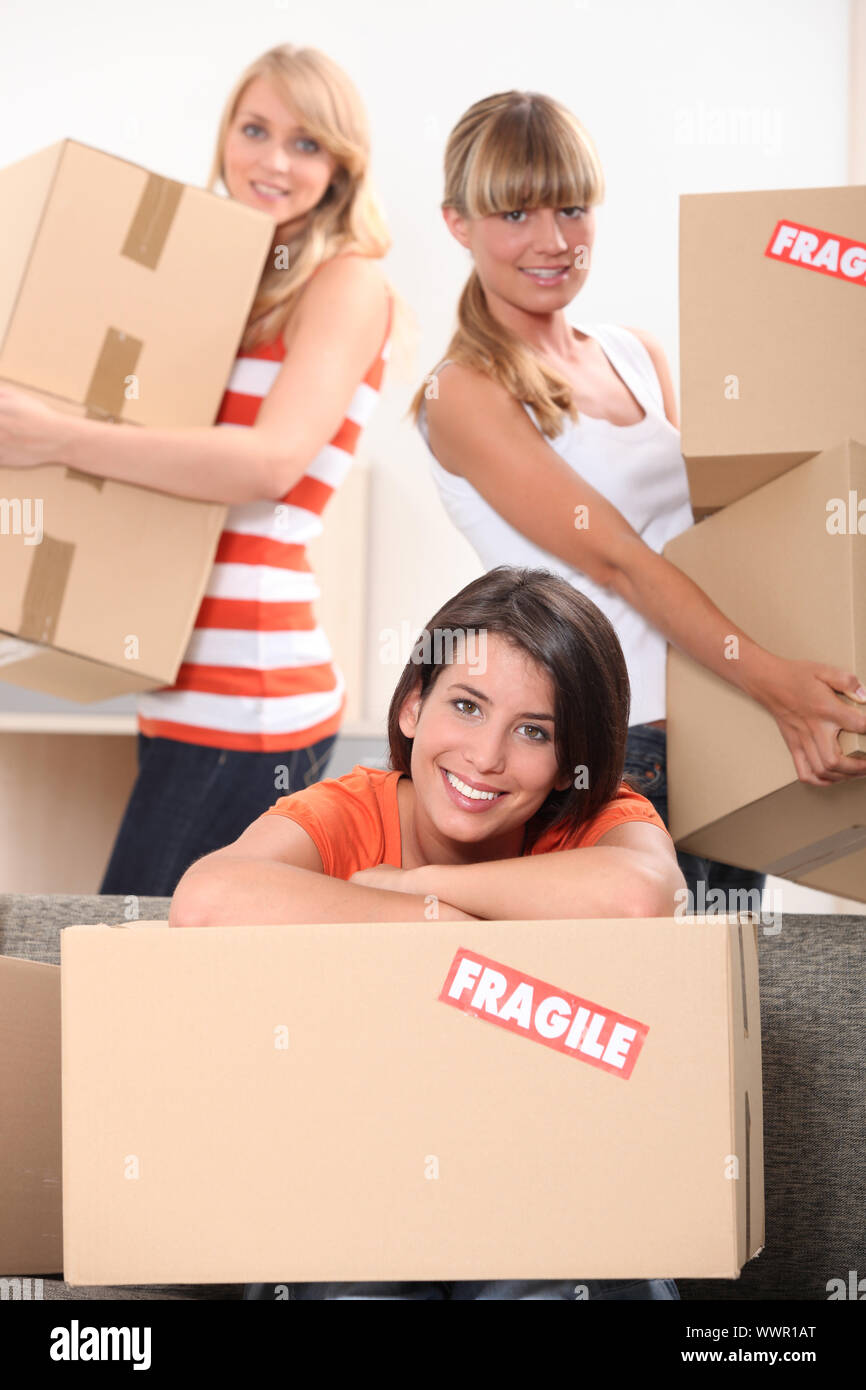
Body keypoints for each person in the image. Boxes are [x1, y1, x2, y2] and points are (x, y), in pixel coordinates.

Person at [170, 564, 686, 1300]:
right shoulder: (349, 811)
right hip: (354, 1188)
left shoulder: (596, 817)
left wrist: (416, 884)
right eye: (467, 707)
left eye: (533, 732)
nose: (486, 757)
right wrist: (433, 924)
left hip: (543, 1187)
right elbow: (206, 902)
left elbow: (641, 897)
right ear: (414, 704)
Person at [409, 90, 866, 907]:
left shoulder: (635, 354)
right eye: (516, 213)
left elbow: (712, 536)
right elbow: (622, 560)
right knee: (640, 998)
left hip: (717, 720)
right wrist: (776, 684)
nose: (553, 242)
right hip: (611, 741)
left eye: (573, 209)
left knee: (730, 978)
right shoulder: (463, 391)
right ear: (457, 223)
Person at [0, 43, 401, 896]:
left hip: (251, 697)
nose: (271, 160)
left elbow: (268, 463)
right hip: (175, 683)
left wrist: (59, 437)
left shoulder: (346, 282)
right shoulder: (220, 283)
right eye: (254, 130)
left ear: (340, 166)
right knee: (170, 960)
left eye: (305, 143)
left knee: (130, 952)